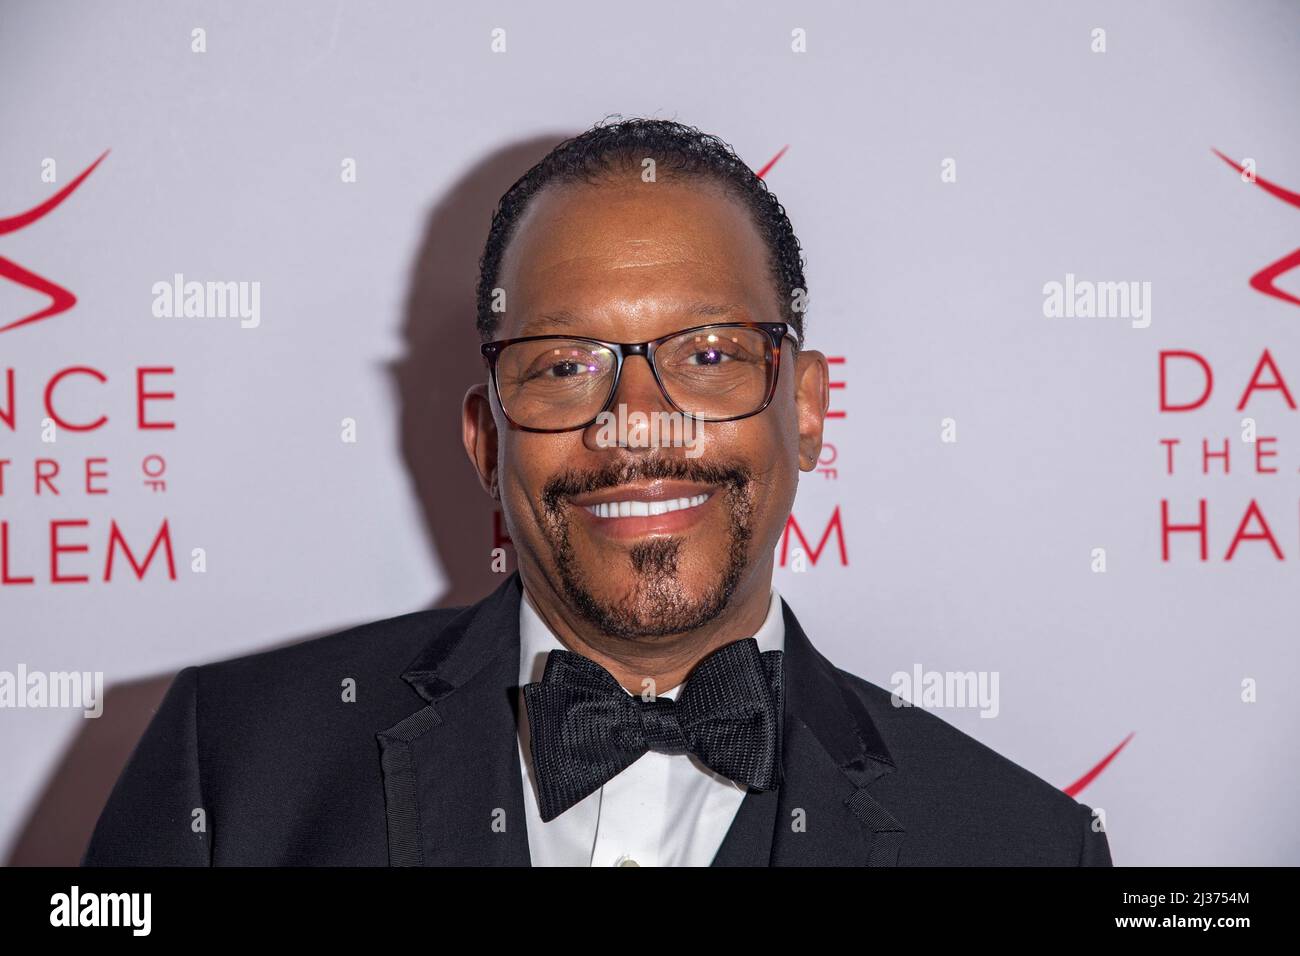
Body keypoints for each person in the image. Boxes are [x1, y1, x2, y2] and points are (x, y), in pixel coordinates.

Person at [83, 117, 1113, 867]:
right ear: (485, 436)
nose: (635, 422)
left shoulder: (1018, 843)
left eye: (706, 353)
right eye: (563, 365)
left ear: (804, 405)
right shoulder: (230, 766)